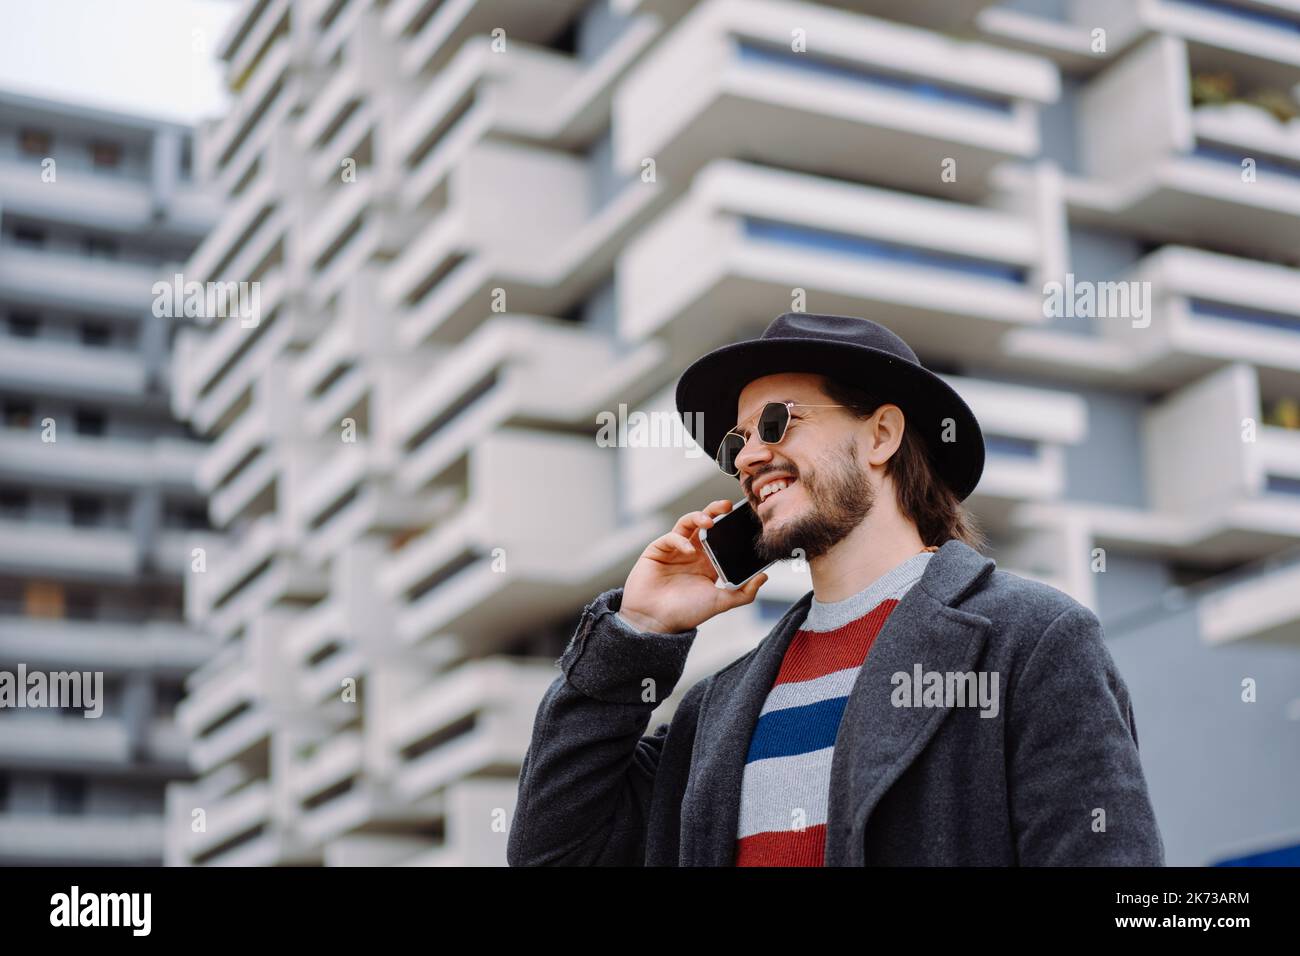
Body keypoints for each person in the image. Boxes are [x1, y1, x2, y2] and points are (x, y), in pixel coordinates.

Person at [507, 311, 1165, 866]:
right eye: (735, 443)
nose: (745, 457)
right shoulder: (715, 713)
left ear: (881, 435)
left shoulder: (1030, 643)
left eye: (775, 424)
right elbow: (552, 853)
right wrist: (638, 633)